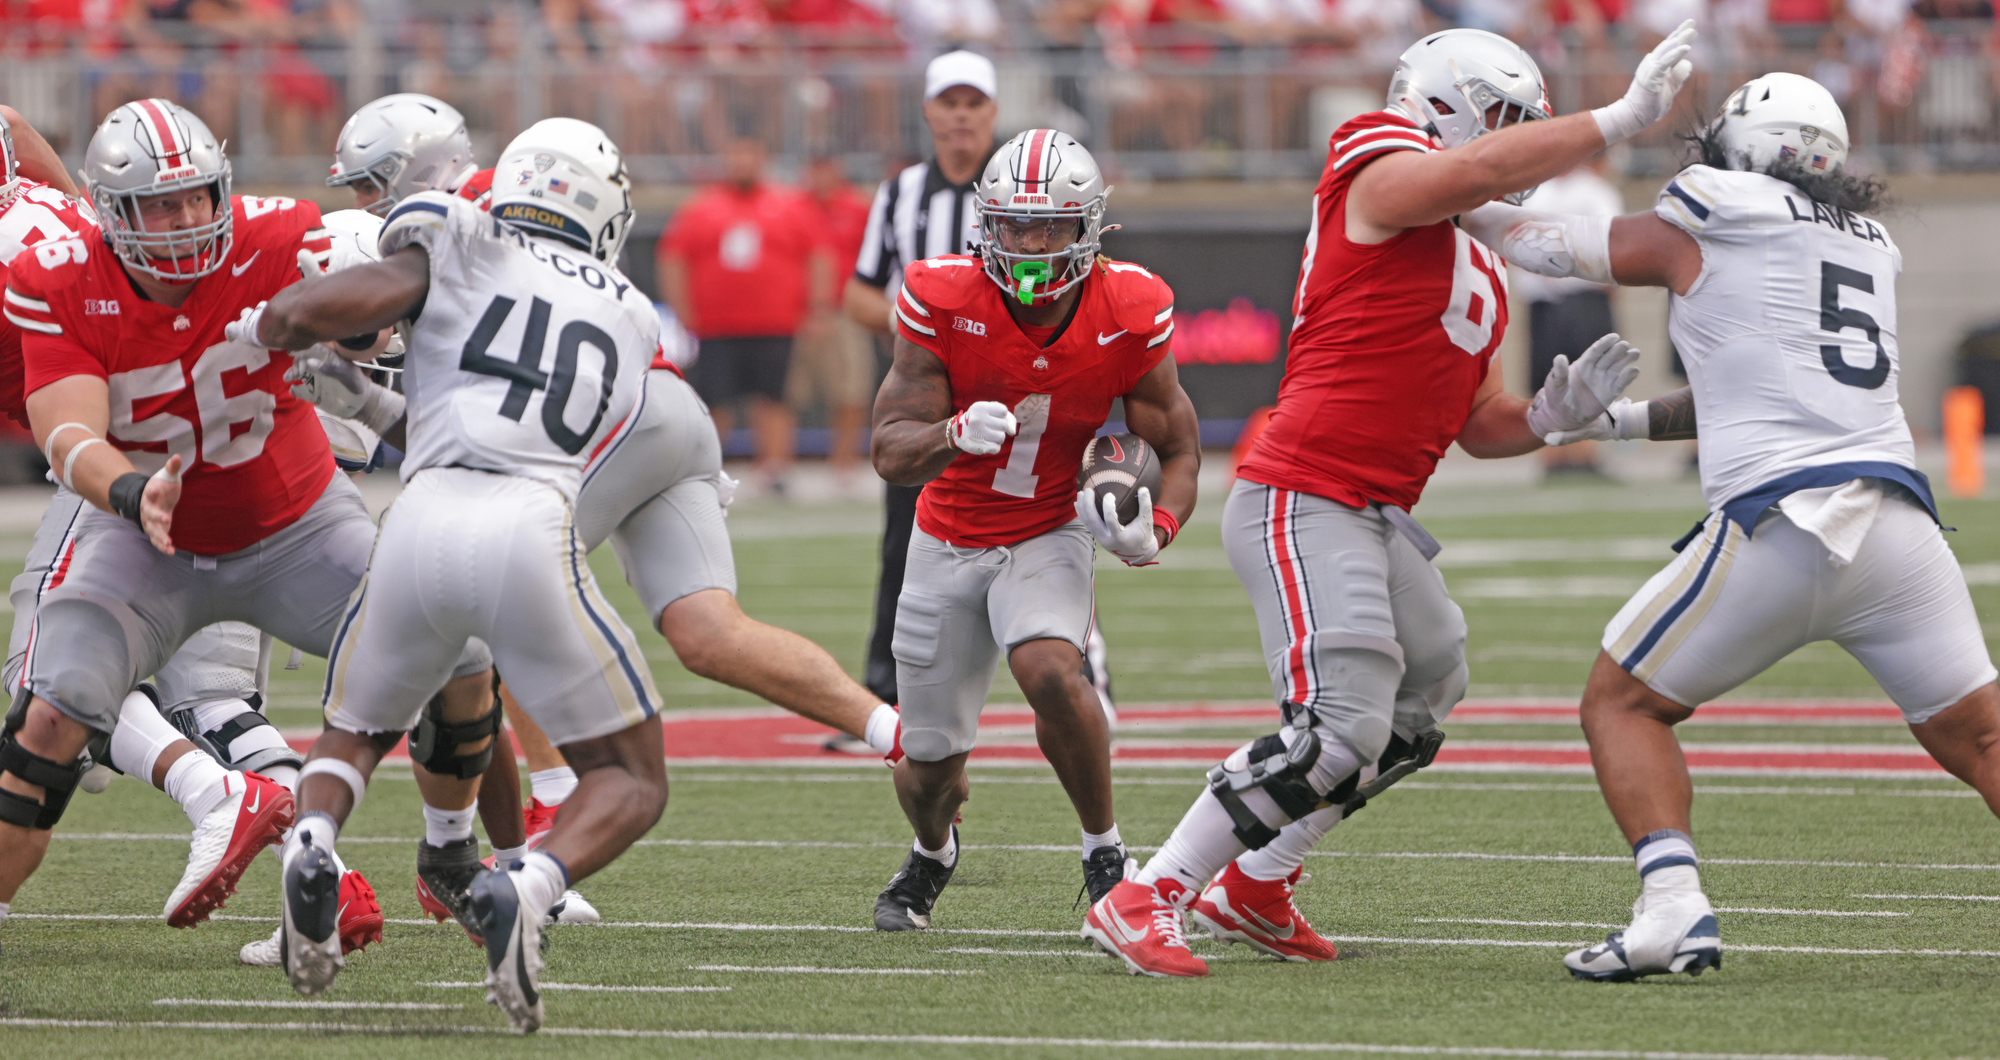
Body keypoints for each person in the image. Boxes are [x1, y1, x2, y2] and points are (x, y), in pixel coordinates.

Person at [1080, 23, 1698, 978]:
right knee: (1339, 728)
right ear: (1444, 101)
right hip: (1304, 487)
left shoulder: (1480, 261)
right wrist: (1614, 119)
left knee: (1426, 692)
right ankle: (1148, 892)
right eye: (1499, 117)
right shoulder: (1372, 155)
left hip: (1375, 511)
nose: (1509, 141)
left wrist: (1561, 417)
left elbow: (1479, 425)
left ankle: (1258, 884)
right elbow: (1466, 172)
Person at [295, 95, 906, 943]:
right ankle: (902, 736)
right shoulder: (525, 193)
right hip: (663, 408)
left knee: (492, 601)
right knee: (707, 629)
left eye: (371, 184)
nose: (366, 204)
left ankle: (537, 822)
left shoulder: (456, 218)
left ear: (412, 167)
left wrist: (354, 391)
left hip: (601, 420)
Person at [1461, 72, 2000, 983]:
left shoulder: (1722, 204)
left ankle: (1671, 909)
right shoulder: (1867, 241)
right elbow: (1752, 384)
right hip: (1897, 522)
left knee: (1622, 702)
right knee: (1981, 737)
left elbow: (1563, 248)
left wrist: (1447, 205)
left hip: (1783, 521)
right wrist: (1622, 422)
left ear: (1741, 146)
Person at [0, 98, 496, 952]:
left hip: (294, 522)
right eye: (162, 205)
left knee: (460, 657)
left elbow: (380, 273)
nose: (187, 221)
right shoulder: (53, 270)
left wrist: (374, 317)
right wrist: (128, 492)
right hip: (139, 534)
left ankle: (449, 853)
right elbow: (69, 428)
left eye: (198, 197)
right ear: (113, 213)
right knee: (45, 720)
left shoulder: (277, 236)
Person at [240, 118, 660, 1030]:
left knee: (350, 733)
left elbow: (346, 310)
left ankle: (312, 841)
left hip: (422, 515)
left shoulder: (456, 233)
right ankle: (529, 881)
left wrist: (274, 323)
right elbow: (523, 416)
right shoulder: (631, 312)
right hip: (529, 524)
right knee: (632, 777)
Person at [869, 129, 1202, 931]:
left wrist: (1155, 525)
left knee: (1053, 671)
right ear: (988, 224)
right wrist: (950, 433)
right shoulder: (942, 295)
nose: (1030, 244)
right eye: (1015, 226)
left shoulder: (1131, 306)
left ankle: (1105, 851)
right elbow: (886, 448)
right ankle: (933, 853)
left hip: (1047, 529)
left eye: (1049, 226)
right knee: (927, 771)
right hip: (946, 536)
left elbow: (1178, 442)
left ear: (1088, 227)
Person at [845, 49, 1116, 721]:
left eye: (974, 103)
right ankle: (890, 693)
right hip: (932, 382)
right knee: (906, 531)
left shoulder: (1027, 181)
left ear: (992, 111)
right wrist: (930, 327)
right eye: (949, 102)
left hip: (1030, 373)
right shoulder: (901, 192)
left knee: (1047, 516)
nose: (962, 116)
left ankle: (1086, 665)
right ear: (930, 111)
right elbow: (856, 292)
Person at [660, 138, 826, 493]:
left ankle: (775, 470)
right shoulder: (702, 207)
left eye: (749, 154)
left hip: (775, 323)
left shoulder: (788, 206)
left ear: (762, 159)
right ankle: (707, 470)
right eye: (735, 154)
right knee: (713, 400)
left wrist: (817, 307)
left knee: (774, 398)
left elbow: (817, 256)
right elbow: (673, 257)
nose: (742, 162)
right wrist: (682, 309)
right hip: (717, 325)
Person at [1516, 152, 1624, 478]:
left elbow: (1610, 240)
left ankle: (1585, 452)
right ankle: (1553, 456)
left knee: (1586, 378)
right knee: (1546, 380)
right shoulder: (1536, 192)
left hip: (1584, 296)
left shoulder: (1593, 190)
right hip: (1544, 302)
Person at [790, 156, 876, 486]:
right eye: (814, 167)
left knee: (851, 388)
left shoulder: (857, 207)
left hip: (845, 310)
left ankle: (844, 464)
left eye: (826, 167)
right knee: (787, 392)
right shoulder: (791, 208)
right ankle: (780, 464)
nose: (820, 175)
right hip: (795, 314)